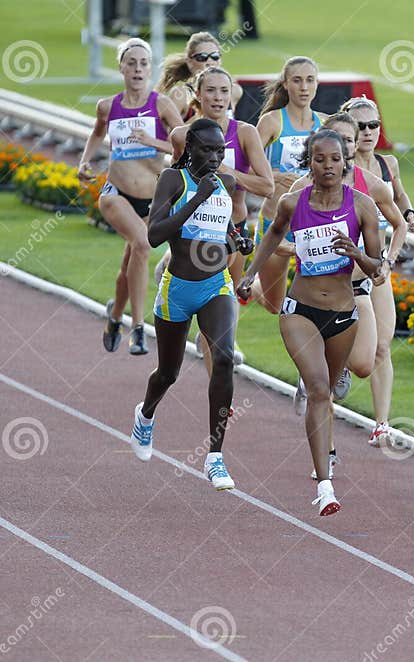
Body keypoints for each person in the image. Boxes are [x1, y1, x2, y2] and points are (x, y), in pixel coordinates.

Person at [237, 129, 383, 515]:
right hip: (300, 309)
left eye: (335, 159)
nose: (328, 166)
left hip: (344, 314)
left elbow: (378, 268)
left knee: (327, 391)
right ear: (310, 163)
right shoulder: (292, 203)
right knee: (319, 389)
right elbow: (272, 235)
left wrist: (356, 254)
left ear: (345, 163)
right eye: (320, 159)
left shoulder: (363, 206)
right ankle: (325, 485)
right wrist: (250, 275)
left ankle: (316, 400)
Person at [130, 119, 252, 491]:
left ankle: (215, 456)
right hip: (177, 290)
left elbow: (225, 228)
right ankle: (145, 415)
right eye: (207, 150)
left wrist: (238, 240)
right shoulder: (174, 179)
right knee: (168, 374)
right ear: (190, 149)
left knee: (224, 358)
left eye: (220, 151)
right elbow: (155, 235)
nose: (215, 157)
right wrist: (197, 198)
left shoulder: (226, 183)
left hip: (216, 285)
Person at [287, 112, 403, 477]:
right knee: (323, 387)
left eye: (349, 141)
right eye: (336, 141)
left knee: (365, 363)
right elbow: (277, 238)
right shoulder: (302, 191)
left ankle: (329, 379)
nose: (346, 146)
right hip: (314, 292)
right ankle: (329, 452)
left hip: (358, 286)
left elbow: (398, 223)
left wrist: (386, 261)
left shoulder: (371, 188)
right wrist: (308, 250)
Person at [78, 38, 183, 356]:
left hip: (152, 200)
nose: (137, 69)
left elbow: (185, 144)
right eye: (131, 63)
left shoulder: (162, 105)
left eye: (143, 63)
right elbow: (98, 132)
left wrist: (154, 142)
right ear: (121, 67)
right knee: (142, 245)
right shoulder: (107, 106)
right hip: (116, 194)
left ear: (150, 69)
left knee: (130, 263)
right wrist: (85, 161)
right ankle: (138, 329)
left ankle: (114, 316)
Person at [169, 67, 274, 370]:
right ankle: (215, 375)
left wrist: (228, 173)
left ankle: (217, 365)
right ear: (198, 95)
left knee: (226, 300)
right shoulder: (181, 136)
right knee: (212, 304)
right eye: (211, 90)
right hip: (195, 232)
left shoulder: (244, 133)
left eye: (224, 91)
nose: (218, 97)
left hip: (233, 229)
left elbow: (266, 186)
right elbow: (173, 186)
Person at [338, 96, 414, 444]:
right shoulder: (338, 169)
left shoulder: (388, 164)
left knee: (382, 347)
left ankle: (382, 423)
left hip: (378, 267)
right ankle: (334, 365)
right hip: (342, 273)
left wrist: (409, 214)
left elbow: (399, 198)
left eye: (374, 125)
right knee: (350, 351)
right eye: (361, 126)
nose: (369, 132)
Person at [251, 56, 327, 314]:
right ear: (285, 84)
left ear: (317, 84)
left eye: (310, 80)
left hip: (313, 224)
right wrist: (274, 176)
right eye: (297, 80)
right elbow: (246, 167)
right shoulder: (272, 121)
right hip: (276, 224)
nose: (304, 87)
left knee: (317, 299)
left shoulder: (325, 124)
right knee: (274, 305)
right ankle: (251, 288)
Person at [157, 32, 243, 122]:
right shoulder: (180, 95)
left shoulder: (234, 91)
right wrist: (203, 118)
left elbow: (231, 127)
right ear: (189, 62)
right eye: (202, 57)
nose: (210, 62)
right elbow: (169, 130)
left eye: (215, 56)